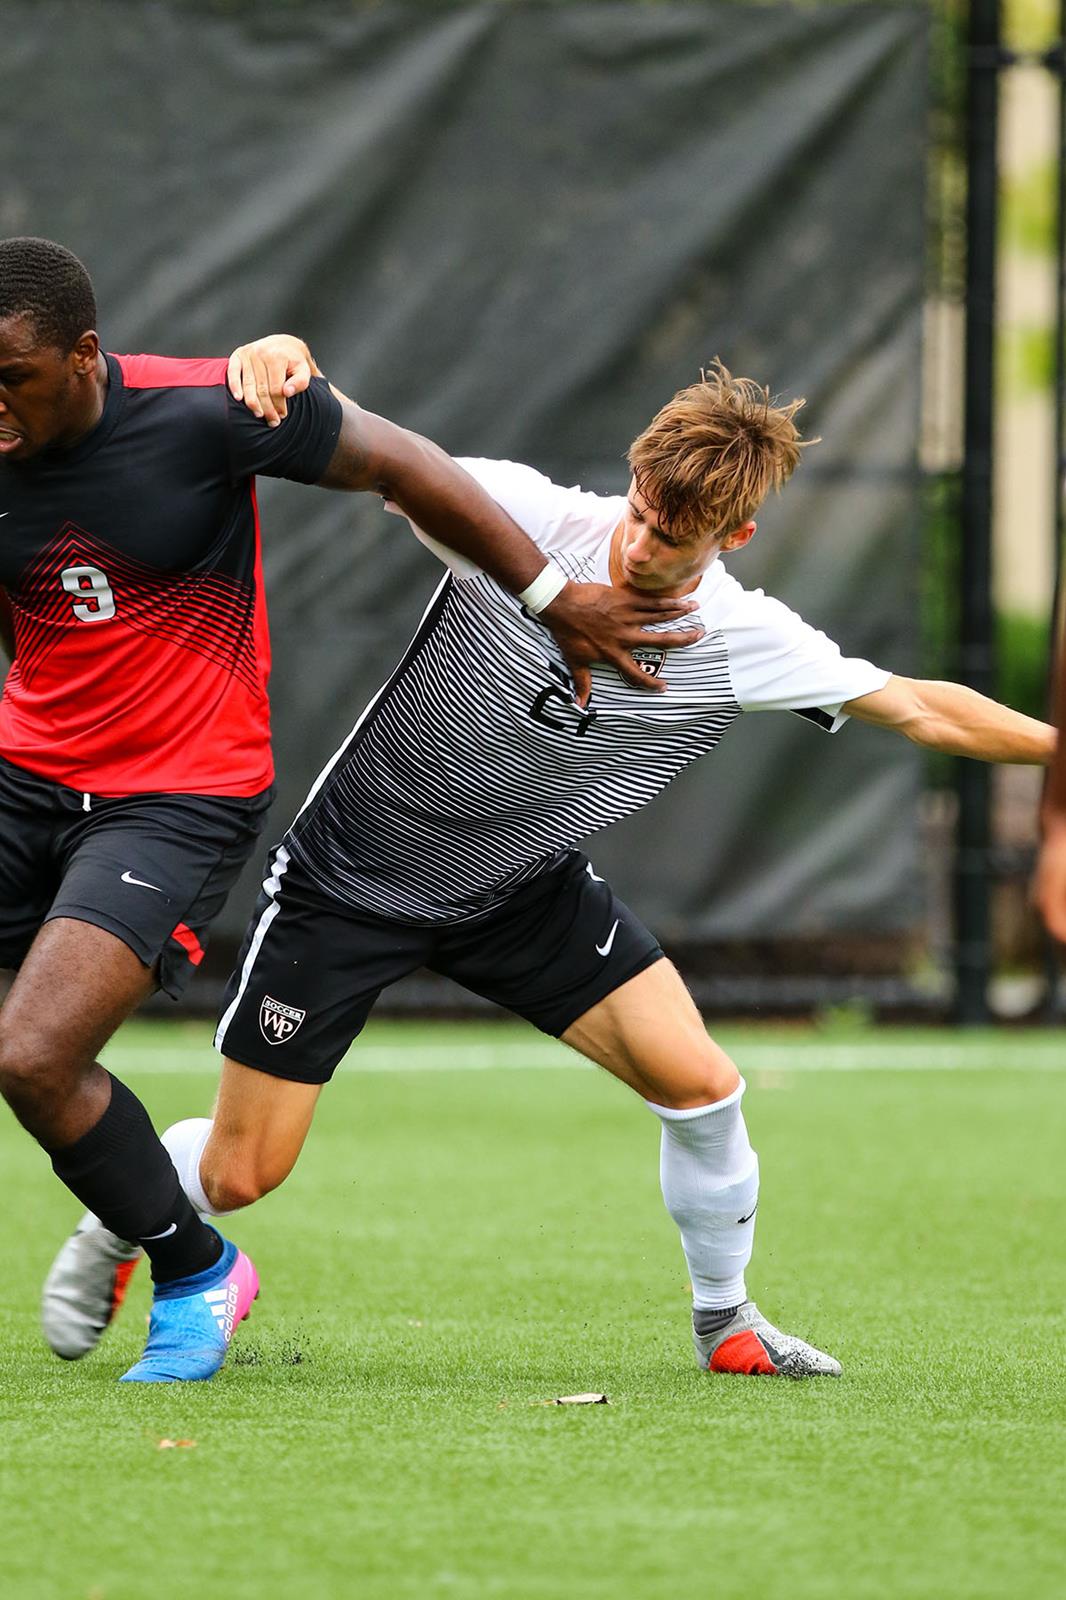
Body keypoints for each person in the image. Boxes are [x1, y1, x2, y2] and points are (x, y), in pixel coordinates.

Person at [48, 336, 1056, 1383]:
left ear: (738, 533)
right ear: (630, 475)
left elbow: (923, 707)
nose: (641, 546)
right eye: (641, 513)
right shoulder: (522, 519)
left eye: (676, 539)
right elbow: (371, 445)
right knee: (242, 1171)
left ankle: (728, 1323)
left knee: (702, 1084)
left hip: (520, 890)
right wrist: (276, 358)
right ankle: (125, 1221)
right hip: (350, 881)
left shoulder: (741, 636)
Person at [0, 239, 697, 1387]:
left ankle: (191, 1269)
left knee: (35, 1054)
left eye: (13, 375)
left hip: (173, 798)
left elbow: (404, 463)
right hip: (28, 778)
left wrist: (551, 598)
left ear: (83, 355)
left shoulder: (210, 409)